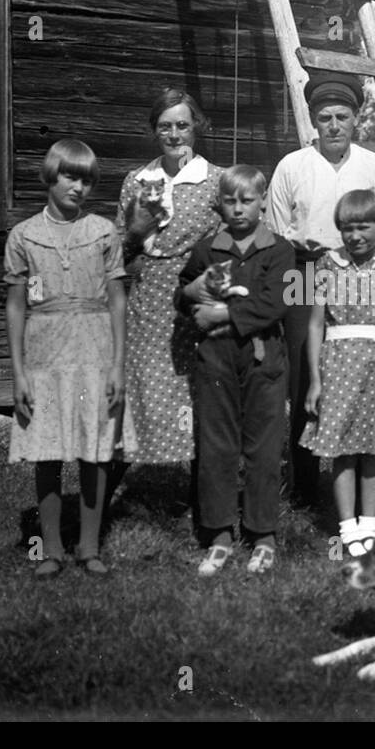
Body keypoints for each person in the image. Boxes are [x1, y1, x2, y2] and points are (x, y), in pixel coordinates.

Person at [265, 72, 375, 506]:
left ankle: (365, 475)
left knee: (361, 367)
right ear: (312, 120)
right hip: (303, 271)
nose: (334, 125)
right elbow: (274, 228)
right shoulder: (292, 166)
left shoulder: (372, 165)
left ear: (357, 119)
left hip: (360, 273)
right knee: (304, 372)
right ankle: (303, 482)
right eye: (325, 117)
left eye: (343, 116)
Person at [5, 139, 126, 577]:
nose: (79, 187)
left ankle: (90, 547)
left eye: (87, 180)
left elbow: (116, 300)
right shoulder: (24, 236)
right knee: (48, 450)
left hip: (95, 350)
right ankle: (52, 549)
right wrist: (19, 373)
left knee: (95, 450)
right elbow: (16, 305)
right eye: (71, 176)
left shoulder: (103, 231)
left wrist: (117, 365)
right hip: (45, 352)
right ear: (50, 177)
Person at [179, 165, 295, 575]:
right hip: (216, 357)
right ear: (219, 204)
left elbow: (277, 302)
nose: (239, 209)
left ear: (262, 201)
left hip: (264, 357)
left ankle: (262, 534)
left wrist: (223, 313)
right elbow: (186, 291)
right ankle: (219, 534)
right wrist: (194, 299)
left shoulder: (281, 250)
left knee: (263, 446)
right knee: (217, 443)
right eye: (230, 201)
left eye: (247, 200)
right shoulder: (208, 247)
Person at [113, 89, 222, 504]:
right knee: (143, 397)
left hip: (198, 302)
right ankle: (99, 510)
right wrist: (137, 231)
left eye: (182, 124)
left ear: (197, 127)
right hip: (148, 305)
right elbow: (119, 258)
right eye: (165, 126)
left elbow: (233, 245)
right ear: (153, 131)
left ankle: (205, 509)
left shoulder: (216, 180)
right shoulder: (136, 183)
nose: (174, 134)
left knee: (200, 399)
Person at [300, 189, 375, 557]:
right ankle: (347, 526)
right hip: (339, 367)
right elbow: (315, 324)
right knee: (343, 452)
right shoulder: (326, 265)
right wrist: (316, 380)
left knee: (374, 449)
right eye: (348, 229)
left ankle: (370, 524)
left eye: (364, 227)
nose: (356, 236)